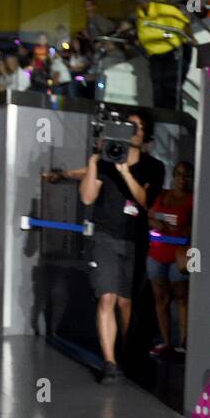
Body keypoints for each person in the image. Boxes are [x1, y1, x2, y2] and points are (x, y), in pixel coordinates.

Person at [62, 113, 164, 383]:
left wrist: (124, 171)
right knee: (107, 298)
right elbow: (87, 197)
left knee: (125, 301)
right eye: (127, 127)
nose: (131, 132)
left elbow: (144, 201)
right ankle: (109, 362)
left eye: (137, 128)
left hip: (135, 240)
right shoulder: (104, 163)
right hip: (105, 237)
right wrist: (95, 162)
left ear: (144, 136)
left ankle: (125, 351)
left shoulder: (153, 166)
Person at [146, 161, 194, 355]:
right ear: (173, 175)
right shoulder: (163, 195)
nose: (182, 178)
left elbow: (198, 224)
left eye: (186, 175)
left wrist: (180, 230)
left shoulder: (193, 199)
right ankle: (166, 342)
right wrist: (156, 222)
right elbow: (149, 216)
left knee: (182, 297)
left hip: (180, 255)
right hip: (157, 253)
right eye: (179, 174)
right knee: (160, 297)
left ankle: (183, 343)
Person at [131, 0, 191, 110]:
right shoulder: (139, 13)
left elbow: (183, 21)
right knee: (157, 90)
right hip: (155, 55)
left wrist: (189, 39)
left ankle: (176, 120)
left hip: (173, 50)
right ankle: (161, 120)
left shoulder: (161, 5)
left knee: (171, 87)